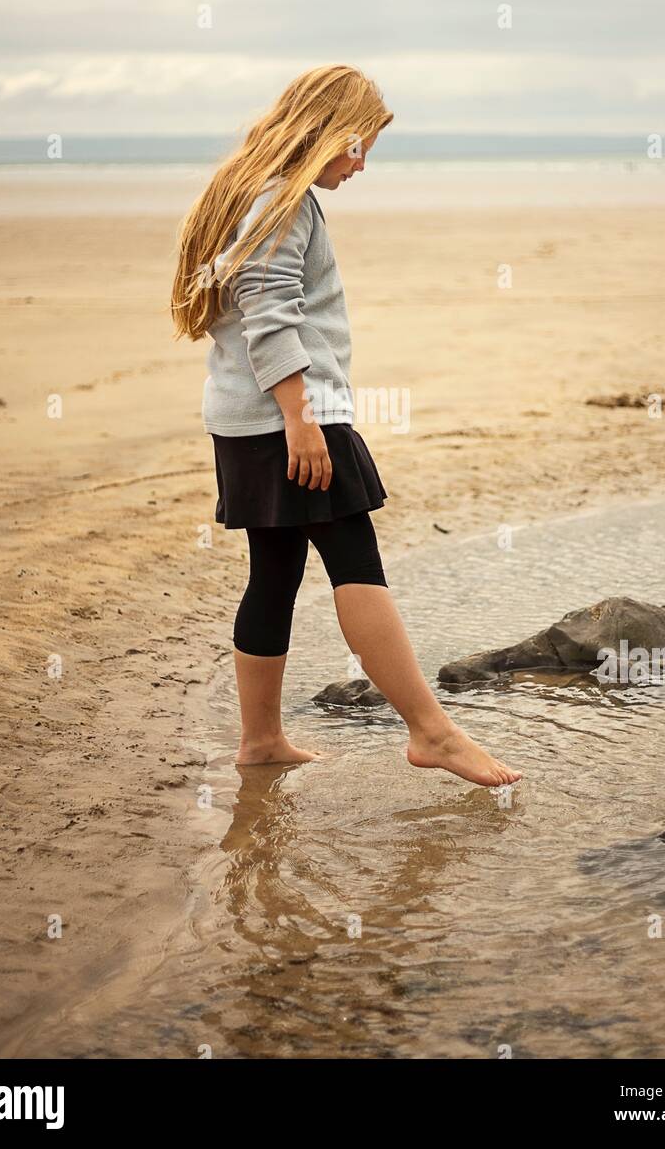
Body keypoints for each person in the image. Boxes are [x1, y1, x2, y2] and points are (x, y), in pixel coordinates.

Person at [171, 65, 522, 788]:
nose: (361, 165)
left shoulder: (245, 187)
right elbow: (271, 315)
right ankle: (433, 733)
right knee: (356, 564)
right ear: (327, 131)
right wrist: (303, 423)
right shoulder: (283, 201)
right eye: (358, 146)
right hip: (291, 417)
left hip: (244, 420)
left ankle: (261, 741)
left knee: (273, 576)